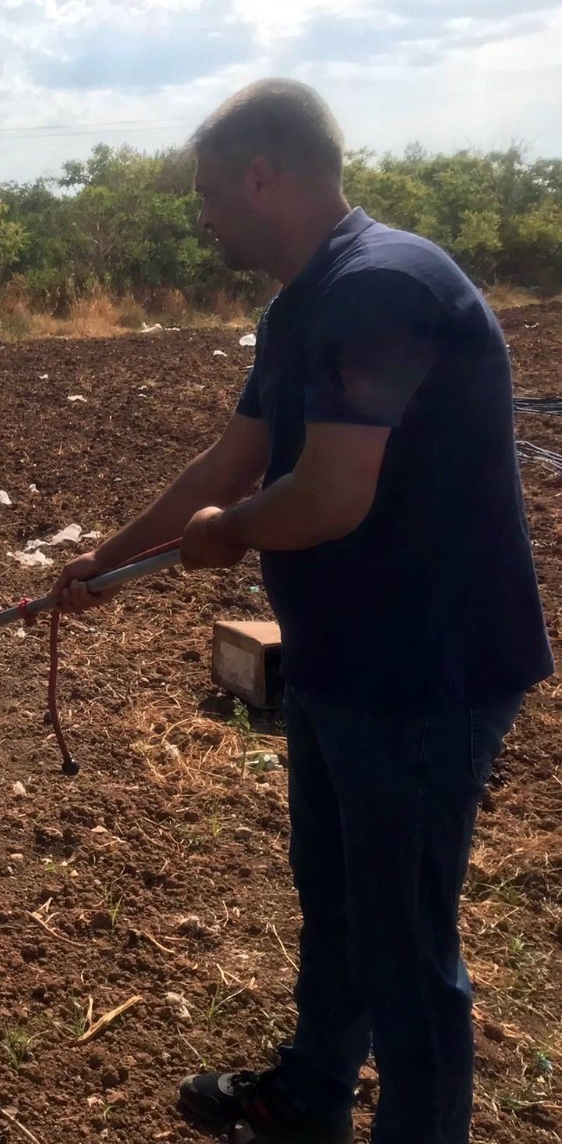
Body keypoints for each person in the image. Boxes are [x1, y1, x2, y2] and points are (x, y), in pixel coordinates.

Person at [53, 79, 552, 1144]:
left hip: (424, 670)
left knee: (407, 952)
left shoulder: (380, 287)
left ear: (261, 176)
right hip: (341, 660)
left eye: (207, 195)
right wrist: (106, 559)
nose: (202, 218)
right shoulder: (302, 302)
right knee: (338, 903)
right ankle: (313, 1095)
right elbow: (235, 455)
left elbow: (327, 495)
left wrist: (226, 534)